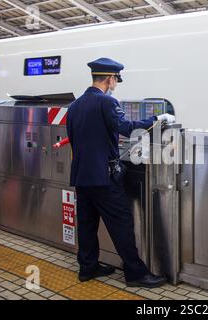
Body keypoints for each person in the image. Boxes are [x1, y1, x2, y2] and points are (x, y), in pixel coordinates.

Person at [66, 57, 175, 287]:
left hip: (81, 176)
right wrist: (157, 119)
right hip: (103, 178)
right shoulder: (107, 102)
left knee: (86, 224)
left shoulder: (75, 105)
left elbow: (76, 140)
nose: (115, 83)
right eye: (116, 79)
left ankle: (88, 268)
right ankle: (136, 274)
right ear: (110, 78)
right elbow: (126, 128)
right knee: (121, 224)